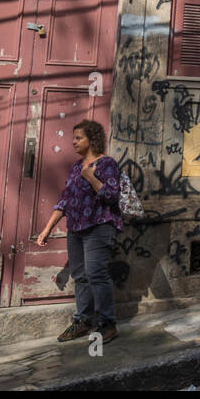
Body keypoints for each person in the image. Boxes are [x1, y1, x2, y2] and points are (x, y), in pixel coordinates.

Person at [37, 120, 123, 343]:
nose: (73, 142)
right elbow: (65, 200)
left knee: (96, 274)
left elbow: (112, 196)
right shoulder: (76, 167)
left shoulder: (107, 164)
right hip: (76, 228)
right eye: (73, 138)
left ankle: (108, 324)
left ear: (92, 140)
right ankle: (83, 321)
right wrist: (47, 229)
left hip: (99, 227)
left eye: (78, 138)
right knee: (81, 276)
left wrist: (91, 177)